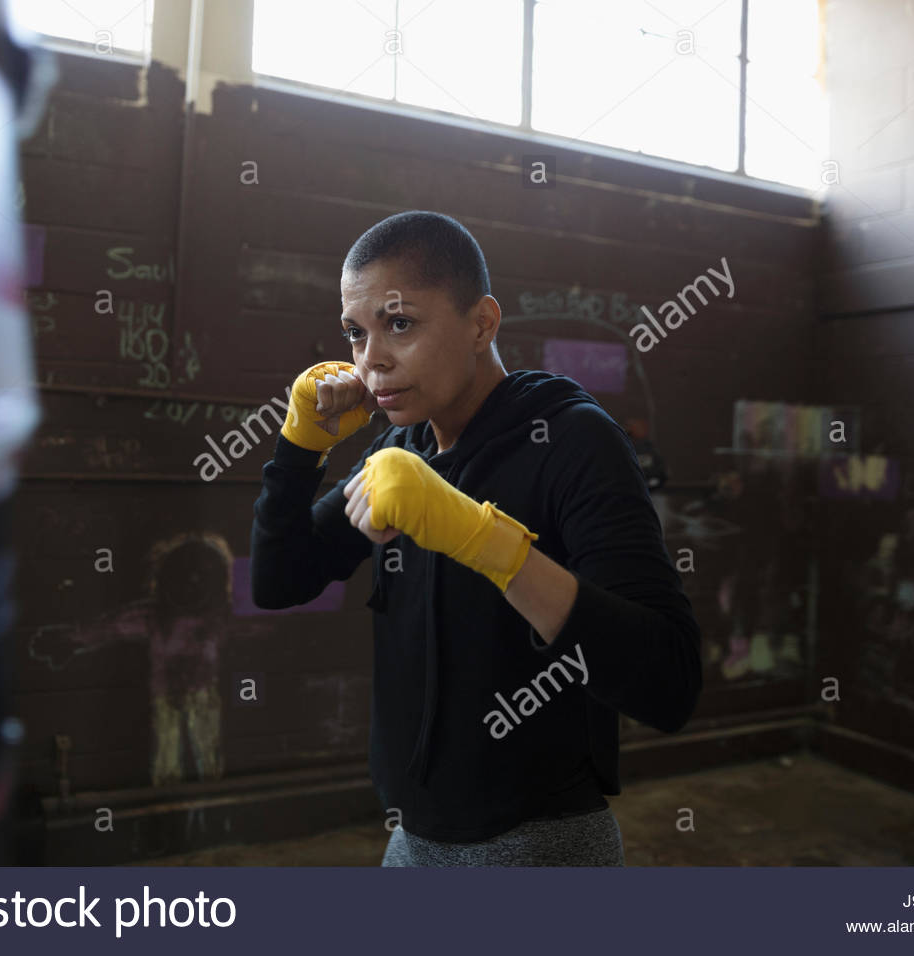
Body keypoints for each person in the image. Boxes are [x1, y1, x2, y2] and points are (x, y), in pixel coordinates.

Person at [250, 210, 702, 866]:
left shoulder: (573, 440)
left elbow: (669, 682)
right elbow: (279, 580)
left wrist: (480, 537)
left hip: (541, 847)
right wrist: (301, 445)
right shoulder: (400, 450)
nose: (371, 360)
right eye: (356, 332)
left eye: (399, 323)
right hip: (412, 839)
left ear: (482, 322)